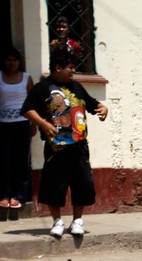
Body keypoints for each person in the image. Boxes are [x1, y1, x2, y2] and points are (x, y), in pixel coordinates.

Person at [21, 48, 108, 237]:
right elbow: (27, 109)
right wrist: (43, 124)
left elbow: (93, 104)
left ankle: (77, 221)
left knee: (82, 183)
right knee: (54, 184)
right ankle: (57, 221)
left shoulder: (76, 87)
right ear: (58, 68)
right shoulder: (42, 87)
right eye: (70, 68)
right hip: (56, 148)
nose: (73, 71)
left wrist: (103, 108)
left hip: (79, 146)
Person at [0, 47, 34, 212]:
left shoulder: (26, 79)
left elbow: (33, 103)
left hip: (22, 124)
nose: (11, 63)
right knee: (5, 160)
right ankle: (5, 194)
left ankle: (19, 195)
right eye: (8, 59)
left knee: (21, 160)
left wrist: (34, 124)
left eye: (14, 60)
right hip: (3, 124)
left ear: (19, 62)